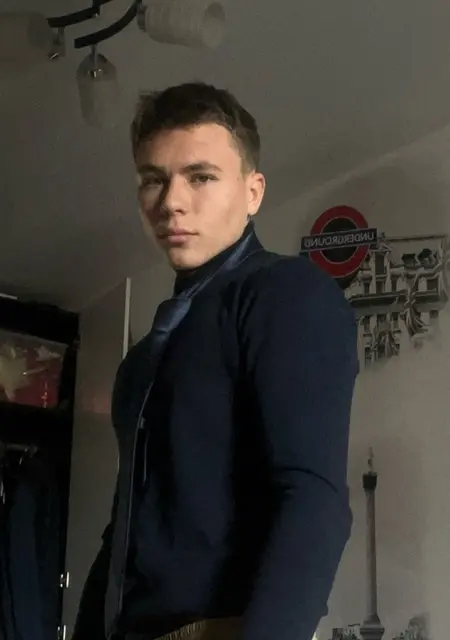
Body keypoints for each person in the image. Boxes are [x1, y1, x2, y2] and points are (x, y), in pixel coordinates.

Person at [72, 82, 358, 640]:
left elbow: (313, 499)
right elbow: (123, 531)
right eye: (153, 179)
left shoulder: (285, 293)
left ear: (253, 192)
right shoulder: (142, 360)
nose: (171, 201)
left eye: (200, 177)